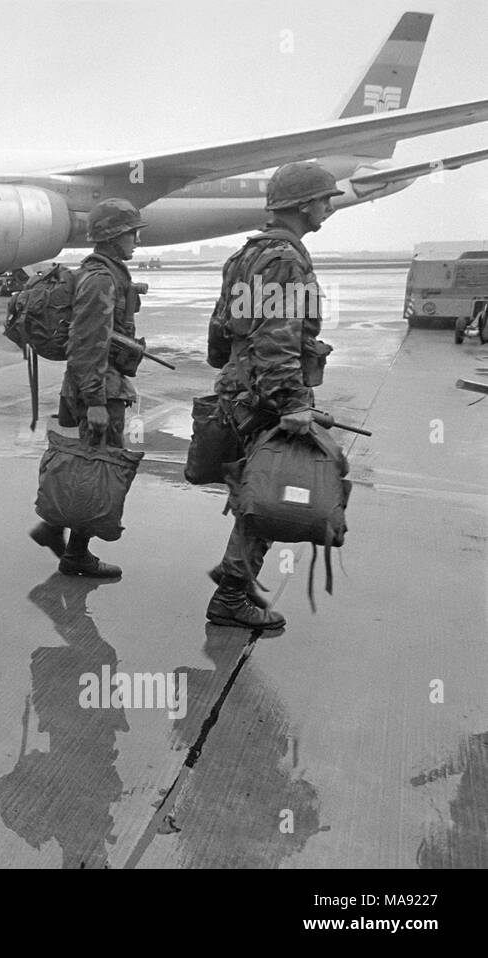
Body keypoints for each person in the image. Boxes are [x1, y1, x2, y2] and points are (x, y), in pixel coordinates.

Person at [203, 161, 342, 629]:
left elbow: (221, 331)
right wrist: (294, 404)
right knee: (266, 499)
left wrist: (234, 370)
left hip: (240, 390)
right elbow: (278, 337)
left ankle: (231, 574)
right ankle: (230, 598)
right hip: (265, 398)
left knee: (253, 490)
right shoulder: (286, 259)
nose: (329, 206)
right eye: (325, 198)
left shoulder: (246, 254)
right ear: (304, 205)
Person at [30, 198, 147, 578]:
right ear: (114, 236)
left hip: (92, 384)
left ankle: (54, 531)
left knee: (86, 461)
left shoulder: (107, 274)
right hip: (98, 387)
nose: (136, 241)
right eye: (131, 233)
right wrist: (96, 401)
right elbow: (86, 341)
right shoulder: (100, 278)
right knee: (96, 468)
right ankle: (76, 554)